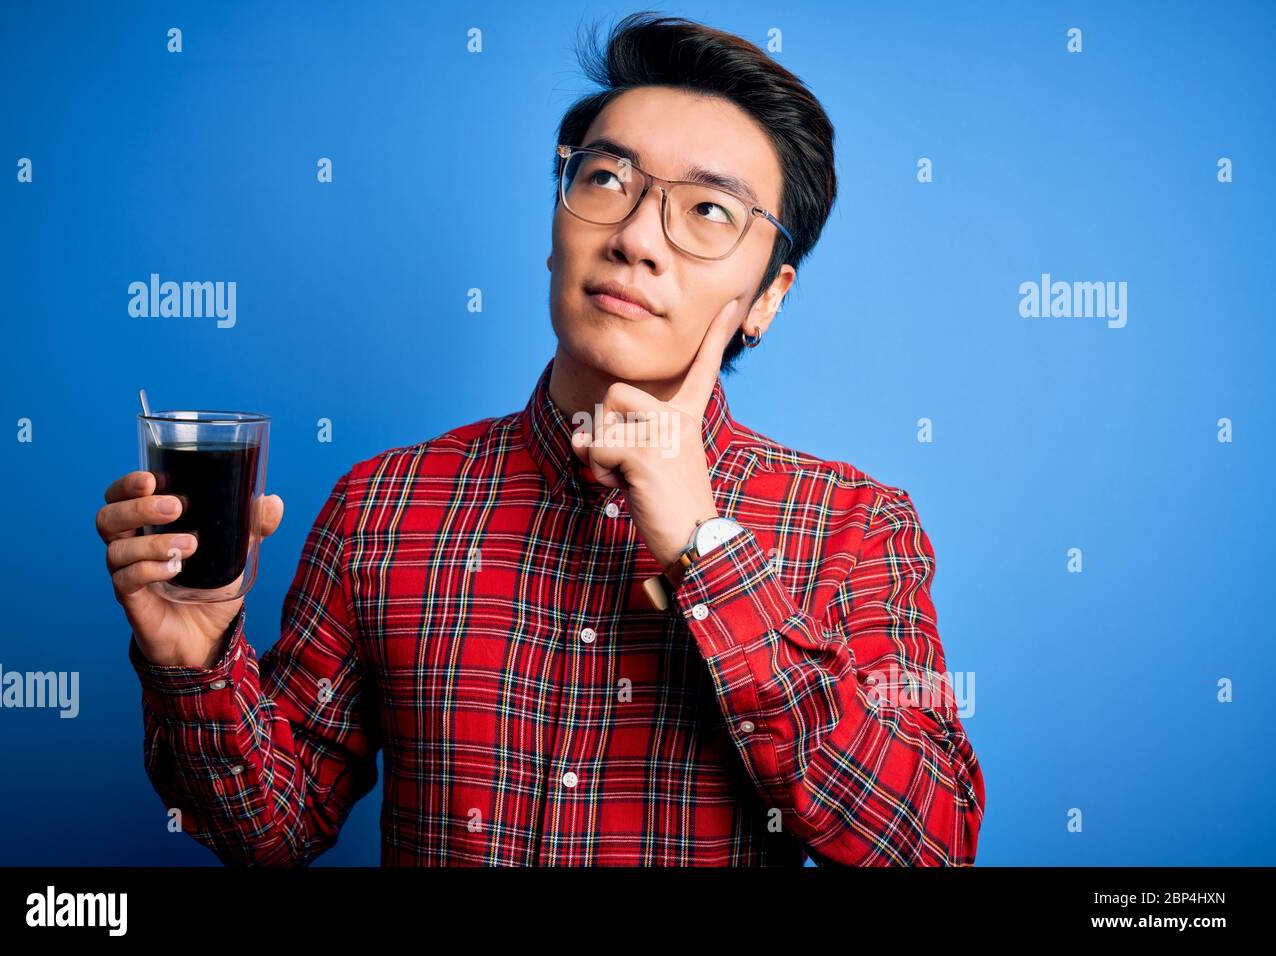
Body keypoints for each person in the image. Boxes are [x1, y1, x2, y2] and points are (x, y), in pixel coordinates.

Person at [96, 12, 985, 866]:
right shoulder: (384, 507)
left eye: (710, 210)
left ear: (768, 297)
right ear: (555, 232)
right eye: (606, 180)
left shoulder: (857, 528)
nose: (637, 236)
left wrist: (707, 552)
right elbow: (271, 832)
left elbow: (930, 842)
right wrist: (196, 662)